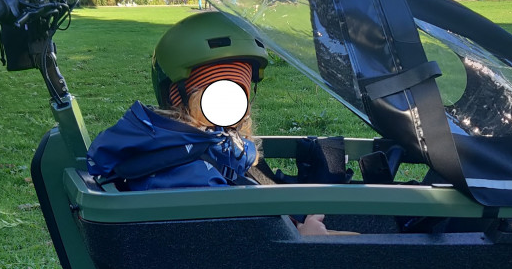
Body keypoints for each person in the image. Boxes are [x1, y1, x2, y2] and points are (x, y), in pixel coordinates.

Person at [86, 12, 330, 235]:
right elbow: (232, 249)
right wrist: (304, 238)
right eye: (218, 91)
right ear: (176, 95)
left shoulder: (196, 144)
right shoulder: (188, 178)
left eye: (240, 91)